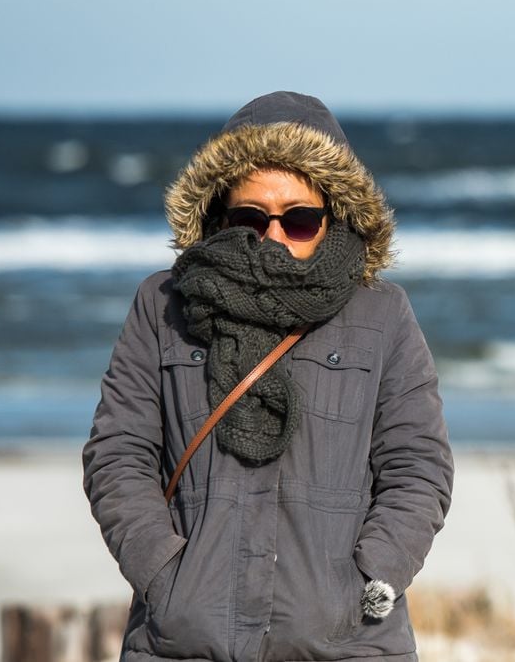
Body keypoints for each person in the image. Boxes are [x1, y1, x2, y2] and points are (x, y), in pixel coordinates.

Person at [82, 91, 455, 662]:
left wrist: (371, 582)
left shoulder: (380, 314)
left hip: (347, 647)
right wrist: (164, 577)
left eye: (300, 219)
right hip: (182, 645)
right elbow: (118, 454)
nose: (274, 238)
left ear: (334, 216)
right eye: (250, 219)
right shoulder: (163, 304)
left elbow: (418, 467)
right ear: (218, 217)